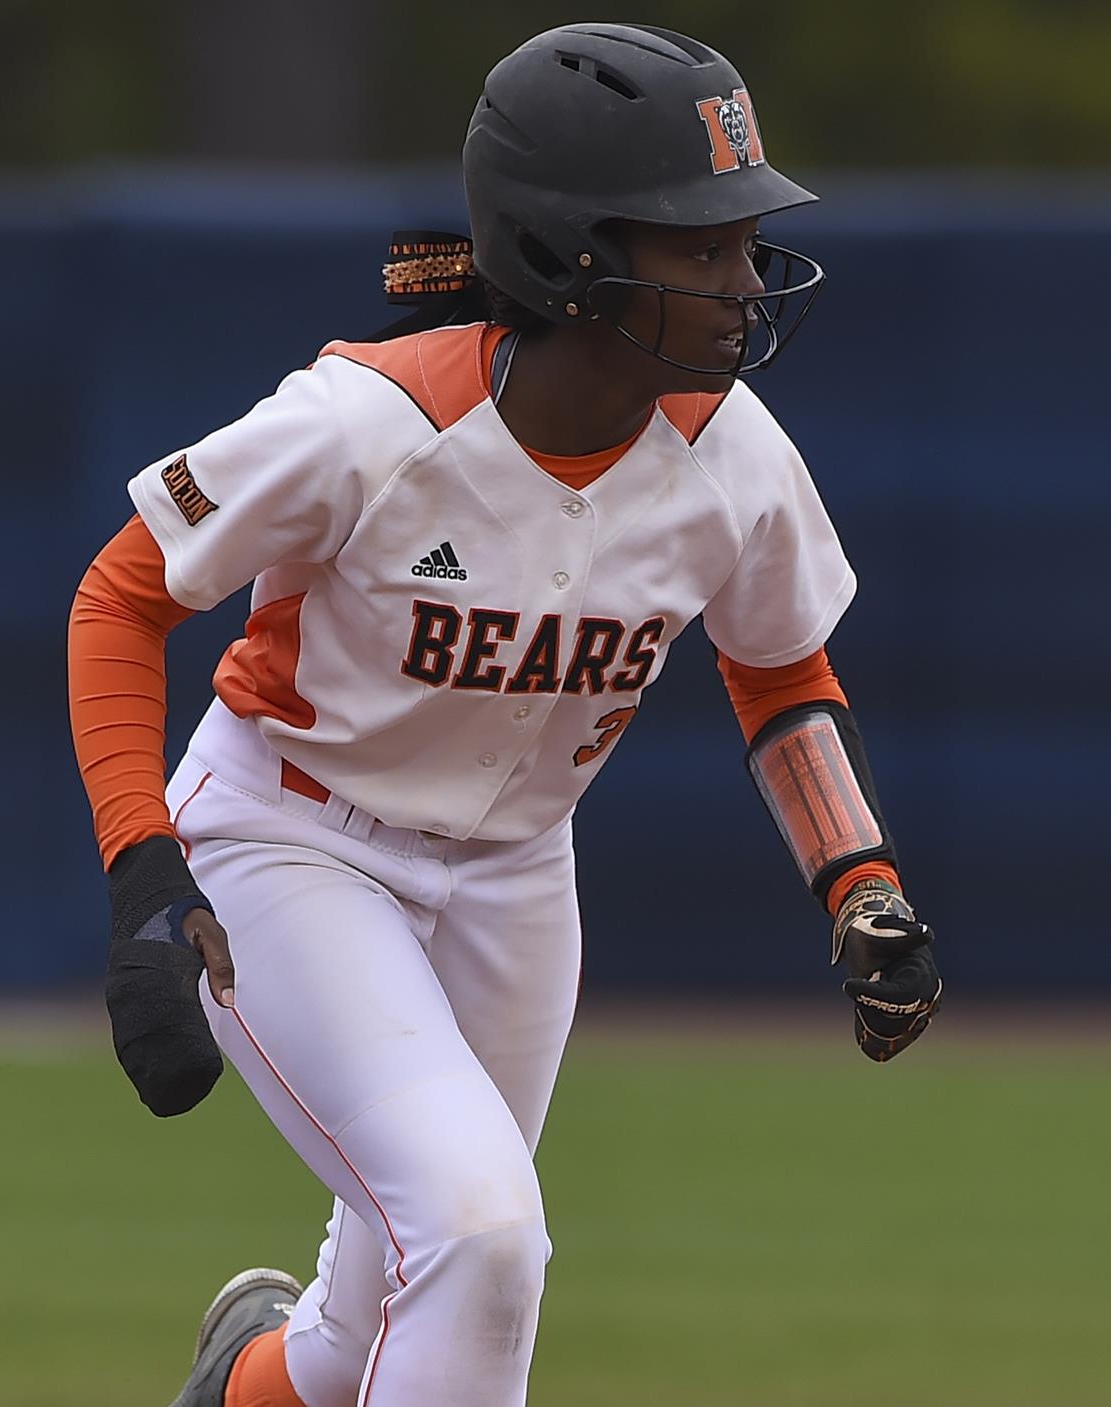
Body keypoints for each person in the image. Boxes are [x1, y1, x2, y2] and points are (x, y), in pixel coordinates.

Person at [65, 22, 943, 1407]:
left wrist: (862, 878)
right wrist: (141, 869)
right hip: (293, 843)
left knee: (374, 1331)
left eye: (741, 239)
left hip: (518, 877)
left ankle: (237, 1382)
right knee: (482, 1237)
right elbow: (121, 597)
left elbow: (780, 670)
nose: (741, 278)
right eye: (698, 244)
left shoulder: (736, 451)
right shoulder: (370, 422)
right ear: (569, 252)